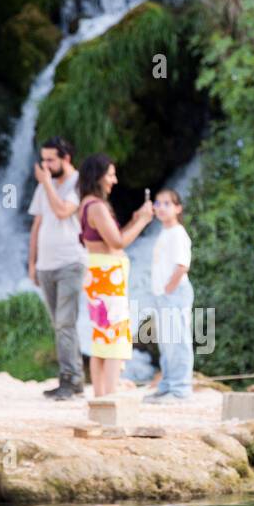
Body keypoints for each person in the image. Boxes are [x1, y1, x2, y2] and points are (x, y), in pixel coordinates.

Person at [77, 153, 153, 396]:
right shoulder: (97, 207)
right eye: (110, 174)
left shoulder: (86, 203)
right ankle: (109, 398)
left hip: (99, 276)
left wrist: (133, 220)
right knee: (115, 342)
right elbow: (117, 242)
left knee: (102, 340)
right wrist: (142, 221)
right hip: (107, 279)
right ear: (97, 177)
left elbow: (110, 241)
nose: (115, 180)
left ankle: (101, 398)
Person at [27, 136, 86, 401]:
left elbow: (63, 211)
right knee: (59, 324)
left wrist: (47, 183)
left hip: (71, 262)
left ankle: (70, 379)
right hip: (46, 264)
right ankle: (73, 378)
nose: (46, 164)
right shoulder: (44, 185)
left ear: (66, 158)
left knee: (65, 322)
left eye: (51, 159)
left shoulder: (79, 183)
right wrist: (32, 262)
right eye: (44, 160)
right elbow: (38, 224)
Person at [143, 188, 194, 404]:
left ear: (178, 208)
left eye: (167, 203)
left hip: (174, 294)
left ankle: (180, 389)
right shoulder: (165, 232)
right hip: (163, 295)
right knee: (166, 343)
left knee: (178, 341)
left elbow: (183, 265)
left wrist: (168, 289)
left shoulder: (178, 233)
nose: (161, 207)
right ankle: (166, 386)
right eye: (158, 203)